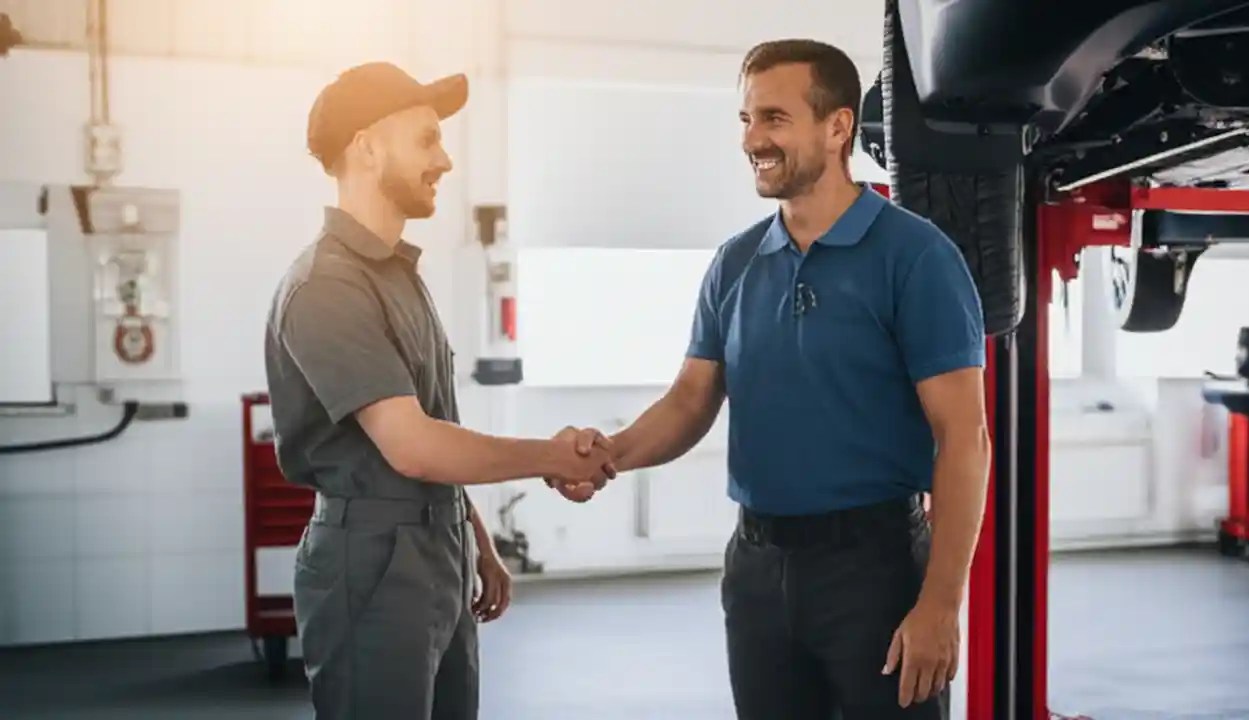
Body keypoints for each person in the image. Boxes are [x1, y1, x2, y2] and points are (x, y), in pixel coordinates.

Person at [550, 39, 991, 718]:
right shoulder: (735, 263)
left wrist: (940, 603)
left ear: (838, 126)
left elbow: (964, 437)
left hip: (876, 570)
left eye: (774, 119)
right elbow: (690, 401)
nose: (753, 138)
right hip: (757, 567)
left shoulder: (917, 257)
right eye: (746, 120)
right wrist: (607, 456)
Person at [263, 61, 614, 720]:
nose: (445, 161)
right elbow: (413, 446)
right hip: (370, 558)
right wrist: (552, 455)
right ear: (367, 147)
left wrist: (475, 541)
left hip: (437, 544)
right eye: (426, 139)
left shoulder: (399, 275)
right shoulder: (327, 287)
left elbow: (432, 428)